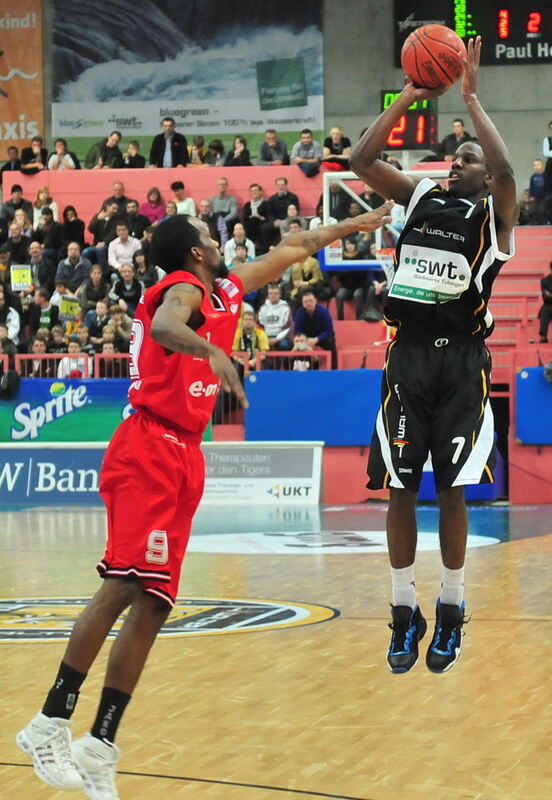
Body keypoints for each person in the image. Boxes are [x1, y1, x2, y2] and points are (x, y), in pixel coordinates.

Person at [16, 204, 392, 799]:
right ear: (195, 252)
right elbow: (167, 327)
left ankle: (99, 745)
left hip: (184, 453)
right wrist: (212, 353)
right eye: (206, 237)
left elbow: (294, 247)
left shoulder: (225, 287)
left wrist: (352, 226)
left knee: (157, 602)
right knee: (121, 585)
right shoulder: (183, 289)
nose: (216, 241)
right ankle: (49, 722)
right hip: (146, 446)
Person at [349, 37, 518, 675]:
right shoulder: (419, 198)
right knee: (398, 490)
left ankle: (451, 607)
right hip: (408, 357)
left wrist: (471, 98)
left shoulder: (495, 220)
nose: (457, 163)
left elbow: (505, 175)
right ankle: (403, 611)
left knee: (451, 492)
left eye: (467, 158)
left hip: (462, 364)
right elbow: (363, 158)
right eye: (453, 157)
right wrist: (411, 94)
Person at [293, 290, 337, 367]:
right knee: (299, 345)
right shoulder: (299, 313)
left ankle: (334, 368)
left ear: (315, 301)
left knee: (330, 342)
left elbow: (329, 330)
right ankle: (306, 369)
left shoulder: (324, 311)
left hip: (322, 337)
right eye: (305, 301)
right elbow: (298, 330)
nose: (308, 303)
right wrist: (305, 340)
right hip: (307, 338)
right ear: (302, 303)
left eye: (310, 301)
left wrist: (317, 339)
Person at [259, 176, 300, 251]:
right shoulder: (272, 198)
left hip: (288, 221)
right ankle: (264, 250)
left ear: (286, 185)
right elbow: (269, 213)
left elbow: (296, 211)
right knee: (264, 227)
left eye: (282, 185)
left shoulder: (293, 197)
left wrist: (284, 221)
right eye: (278, 185)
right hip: (276, 221)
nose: (280, 187)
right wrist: (274, 221)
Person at [257, 283, 292, 350]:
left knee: (284, 345)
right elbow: (259, 325)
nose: (273, 295)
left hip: (280, 336)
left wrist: (277, 339)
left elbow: (287, 327)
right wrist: (265, 338)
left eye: (275, 293)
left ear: (279, 295)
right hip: (265, 335)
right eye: (271, 293)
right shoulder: (263, 308)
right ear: (268, 295)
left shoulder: (285, 308)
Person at [242, 183, 270, 248]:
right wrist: (252, 216)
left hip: (262, 223)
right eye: (252, 191)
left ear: (260, 192)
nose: (254, 192)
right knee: (251, 221)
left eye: (256, 190)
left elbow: (268, 217)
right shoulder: (247, 205)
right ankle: (251, 244)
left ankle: (257, 244)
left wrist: (259, 217)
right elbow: (245, 217)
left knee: (255, 221)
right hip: (250, 225)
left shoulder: (266, 204)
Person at [528, 159, 549, 224]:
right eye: (535, 165)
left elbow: (547, 186)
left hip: (543, 196)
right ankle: (535, 222)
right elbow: (531, 187)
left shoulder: (545, 176)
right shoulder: (533, 177)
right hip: (535, 196)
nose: (536, 166)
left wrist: (547, 195)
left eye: (538, 164)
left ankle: (543, 221)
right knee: (534, 209)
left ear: (542, 166)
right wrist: (531, 195)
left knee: (542, 209)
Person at [538, 261, 552, 343]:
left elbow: (548, 295)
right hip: (549, 305)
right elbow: (545, 298)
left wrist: (550, 295)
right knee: (545, 311)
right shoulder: (545, 281)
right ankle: (543, 336)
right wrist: (548, 296)